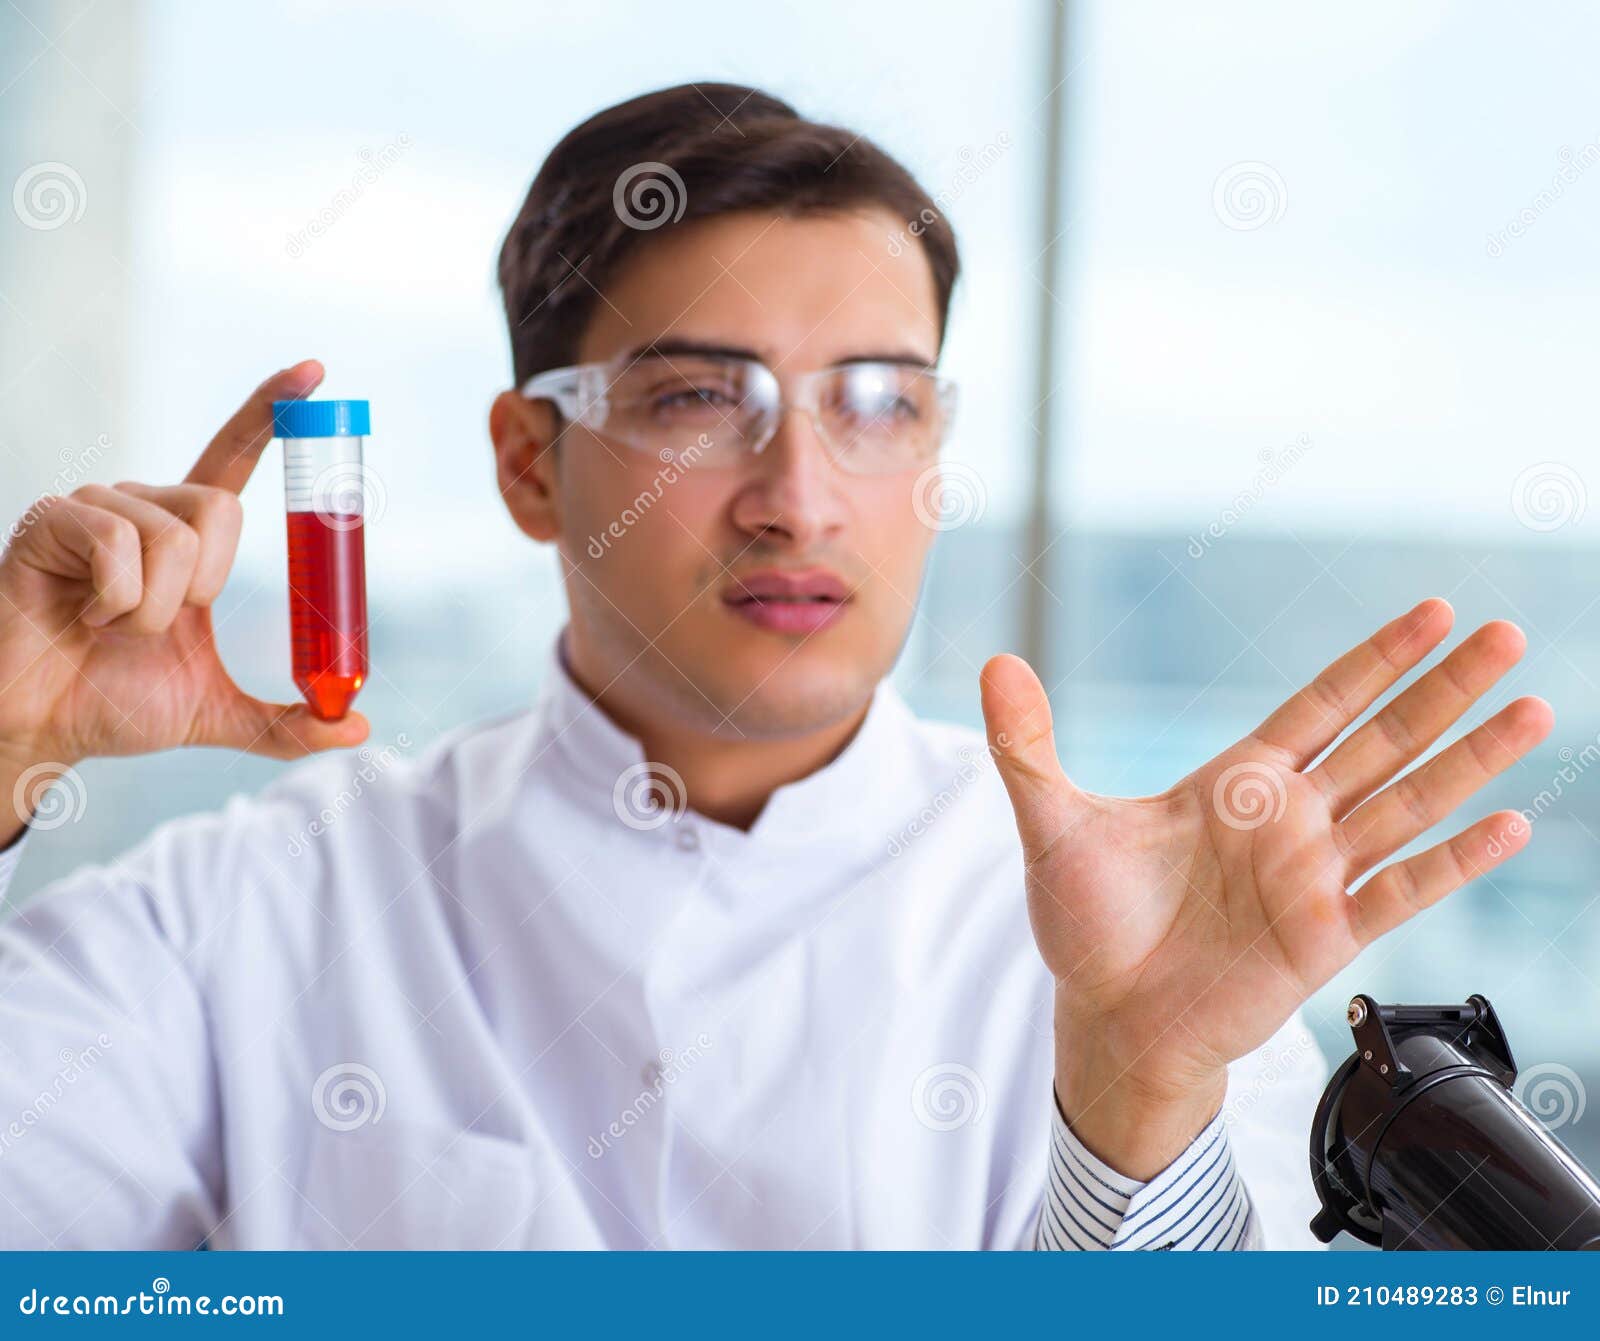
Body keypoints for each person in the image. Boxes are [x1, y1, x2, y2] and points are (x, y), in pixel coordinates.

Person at [0, 83, 1550, 1250]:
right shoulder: (248, 914)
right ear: (531, 462)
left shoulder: (1138, 949)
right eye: (696, 398)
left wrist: (1138, 1098)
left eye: (877, 401)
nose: (798, 493)